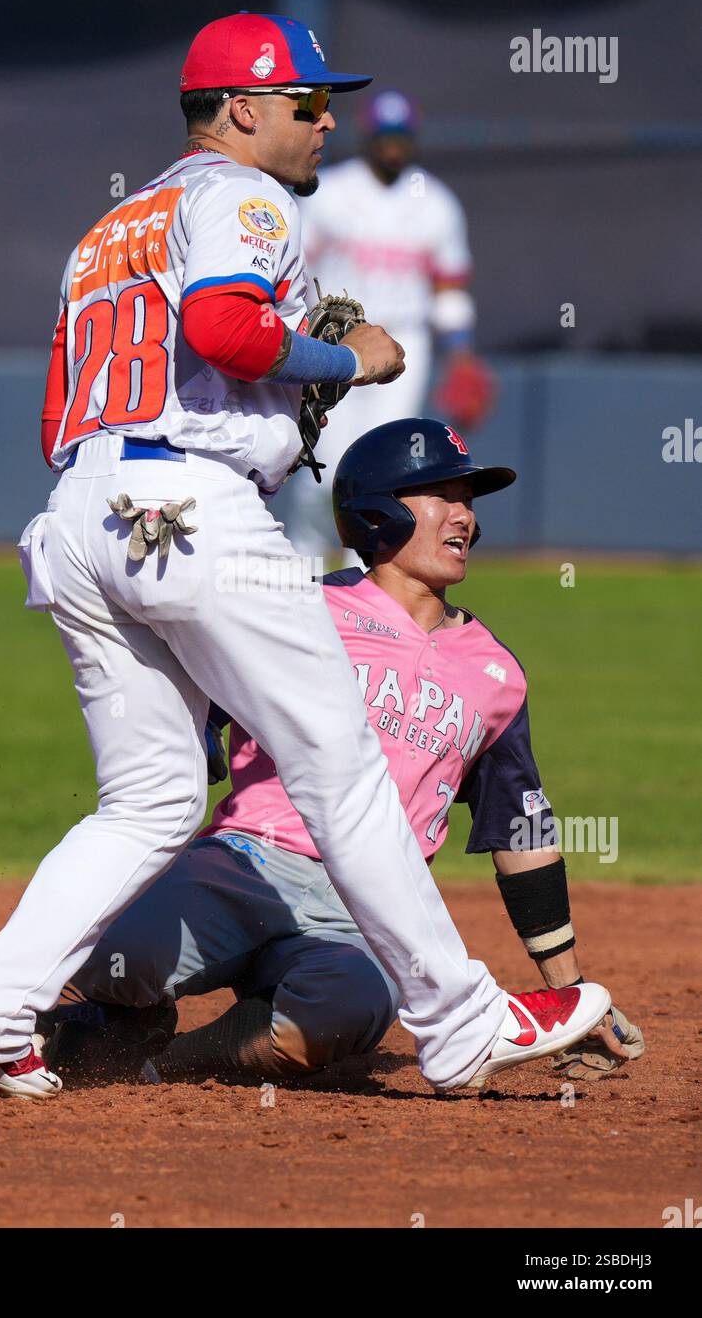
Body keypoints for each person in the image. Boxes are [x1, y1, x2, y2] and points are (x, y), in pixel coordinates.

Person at [0, 13, 608, 1101]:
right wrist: (348, 355)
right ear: (243, 110)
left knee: (147, 798)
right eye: (306, 101)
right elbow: (223, 327)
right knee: (337, 761)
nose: (323, 120)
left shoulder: (110, 228)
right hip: (189, 507)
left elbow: (80, 394)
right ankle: (461, 1021)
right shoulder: (244, 197)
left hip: (79, 510)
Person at [41, 419, 639, 1088]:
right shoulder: (301, 611)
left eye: (468, 499)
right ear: (378, 510)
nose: (463, 515)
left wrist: (571, 996)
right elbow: (184, 711)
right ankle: (122, 1020)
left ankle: (159, 1065)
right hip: (245, 864)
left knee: (342, 1009)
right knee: (107, 958)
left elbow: (520, 833)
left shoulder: (496, 674)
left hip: (370, 907)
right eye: (439, 494)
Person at [277, 89, 494, 561]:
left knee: (383, 476)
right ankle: (303, 571)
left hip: (402, 347)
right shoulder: (330, 191)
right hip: (337, 344)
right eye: (384, 135)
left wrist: (461, 354)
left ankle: (363, 584)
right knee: (323, 470)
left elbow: (449, 288)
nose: (392, 145)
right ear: (367, 136)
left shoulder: (435, 202)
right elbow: (292, 271)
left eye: (401, 136)